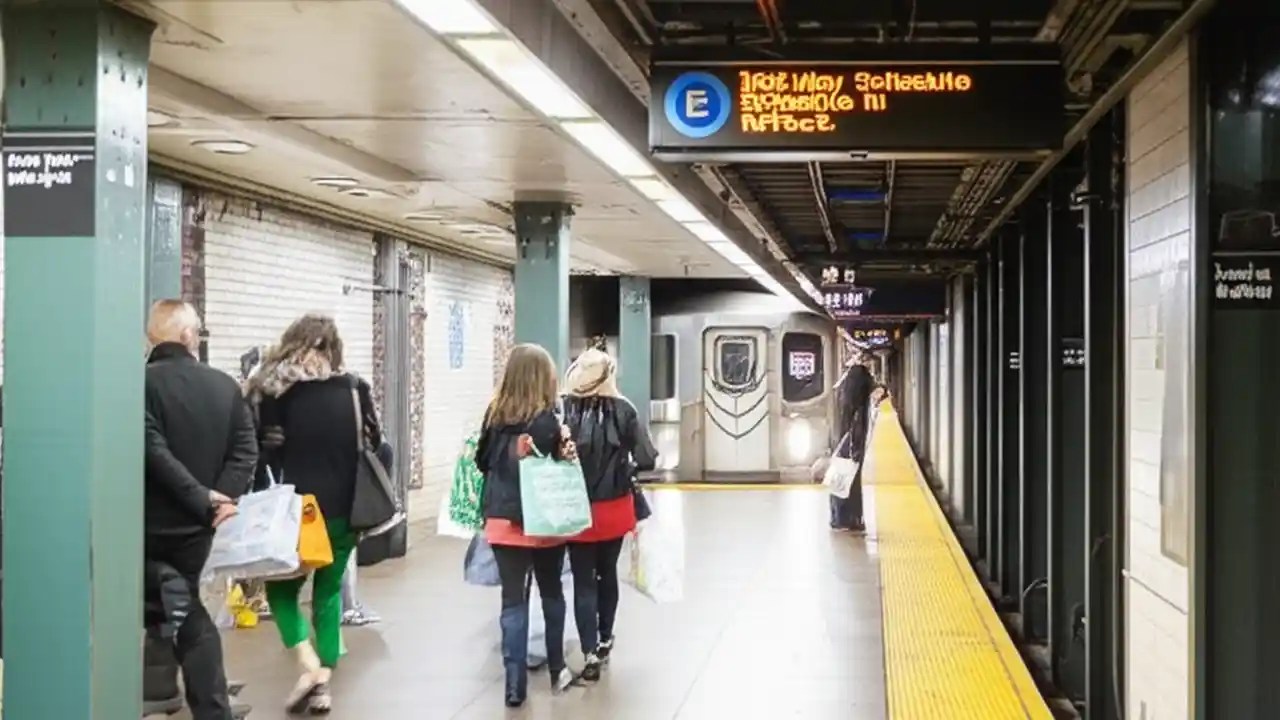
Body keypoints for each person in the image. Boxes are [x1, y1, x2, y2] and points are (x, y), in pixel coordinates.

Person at [245, 314, 382, 714]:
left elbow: (260, 452)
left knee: (282, 590)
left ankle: (308, 664)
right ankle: (323, 682)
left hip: (296, 513)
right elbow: (376, 442)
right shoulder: (355, 389)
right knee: (328, 593)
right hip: (346, 510)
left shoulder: (272, 392)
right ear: (333, 348)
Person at [144, 300, 257, 720]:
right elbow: (246, 450)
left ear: (150, 337)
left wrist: (204, 499)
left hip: (147, 529)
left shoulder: (139, 386)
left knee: (178, 613)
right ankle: (174, 696)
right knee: (180, 609)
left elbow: (151, 452)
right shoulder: (224, 386)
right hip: (201, 532)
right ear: (190, 336)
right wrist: (218, 501)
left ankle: (185, 701)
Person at [475, 343, 578, 708]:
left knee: (512, 601)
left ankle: (514, 683)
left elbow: (481, 461)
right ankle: (556, 670)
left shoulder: (494, 415)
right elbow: (563, 467)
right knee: (551, 592)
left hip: (503, 521)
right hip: (544, 521)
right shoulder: (549, 420)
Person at [560, 348, 656, 681]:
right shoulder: (625, 409)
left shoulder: (563, 408)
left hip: (575, 508)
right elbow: (647, 458)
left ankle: (588, 652)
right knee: (607, 573)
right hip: (614, 507)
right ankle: (604, 639)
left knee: (583, 579)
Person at [830, 356, 876, 533]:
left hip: (842, 447)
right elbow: (856, 429)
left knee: (841, 482)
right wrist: (856, 451)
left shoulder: (845, 395)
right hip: (851, 448)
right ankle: (850, 519)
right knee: (851, 483)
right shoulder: (857, 406)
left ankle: (839, 518)